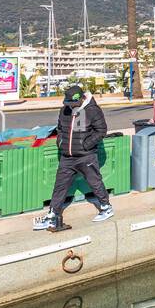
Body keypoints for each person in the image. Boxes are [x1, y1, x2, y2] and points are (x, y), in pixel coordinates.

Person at [34, 85, 114, 233]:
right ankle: (52, 214)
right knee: (60, 186)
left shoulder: (92, 110)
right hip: (67, 157)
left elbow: (101, 130)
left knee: (94, 182)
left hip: (86, 155)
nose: (70, 107)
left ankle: (106, 207)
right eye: (68, 104)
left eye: (73, 104)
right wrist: (61, 142)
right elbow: (60, 128)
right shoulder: (65, 109)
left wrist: (86, 145)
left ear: (81, 99)